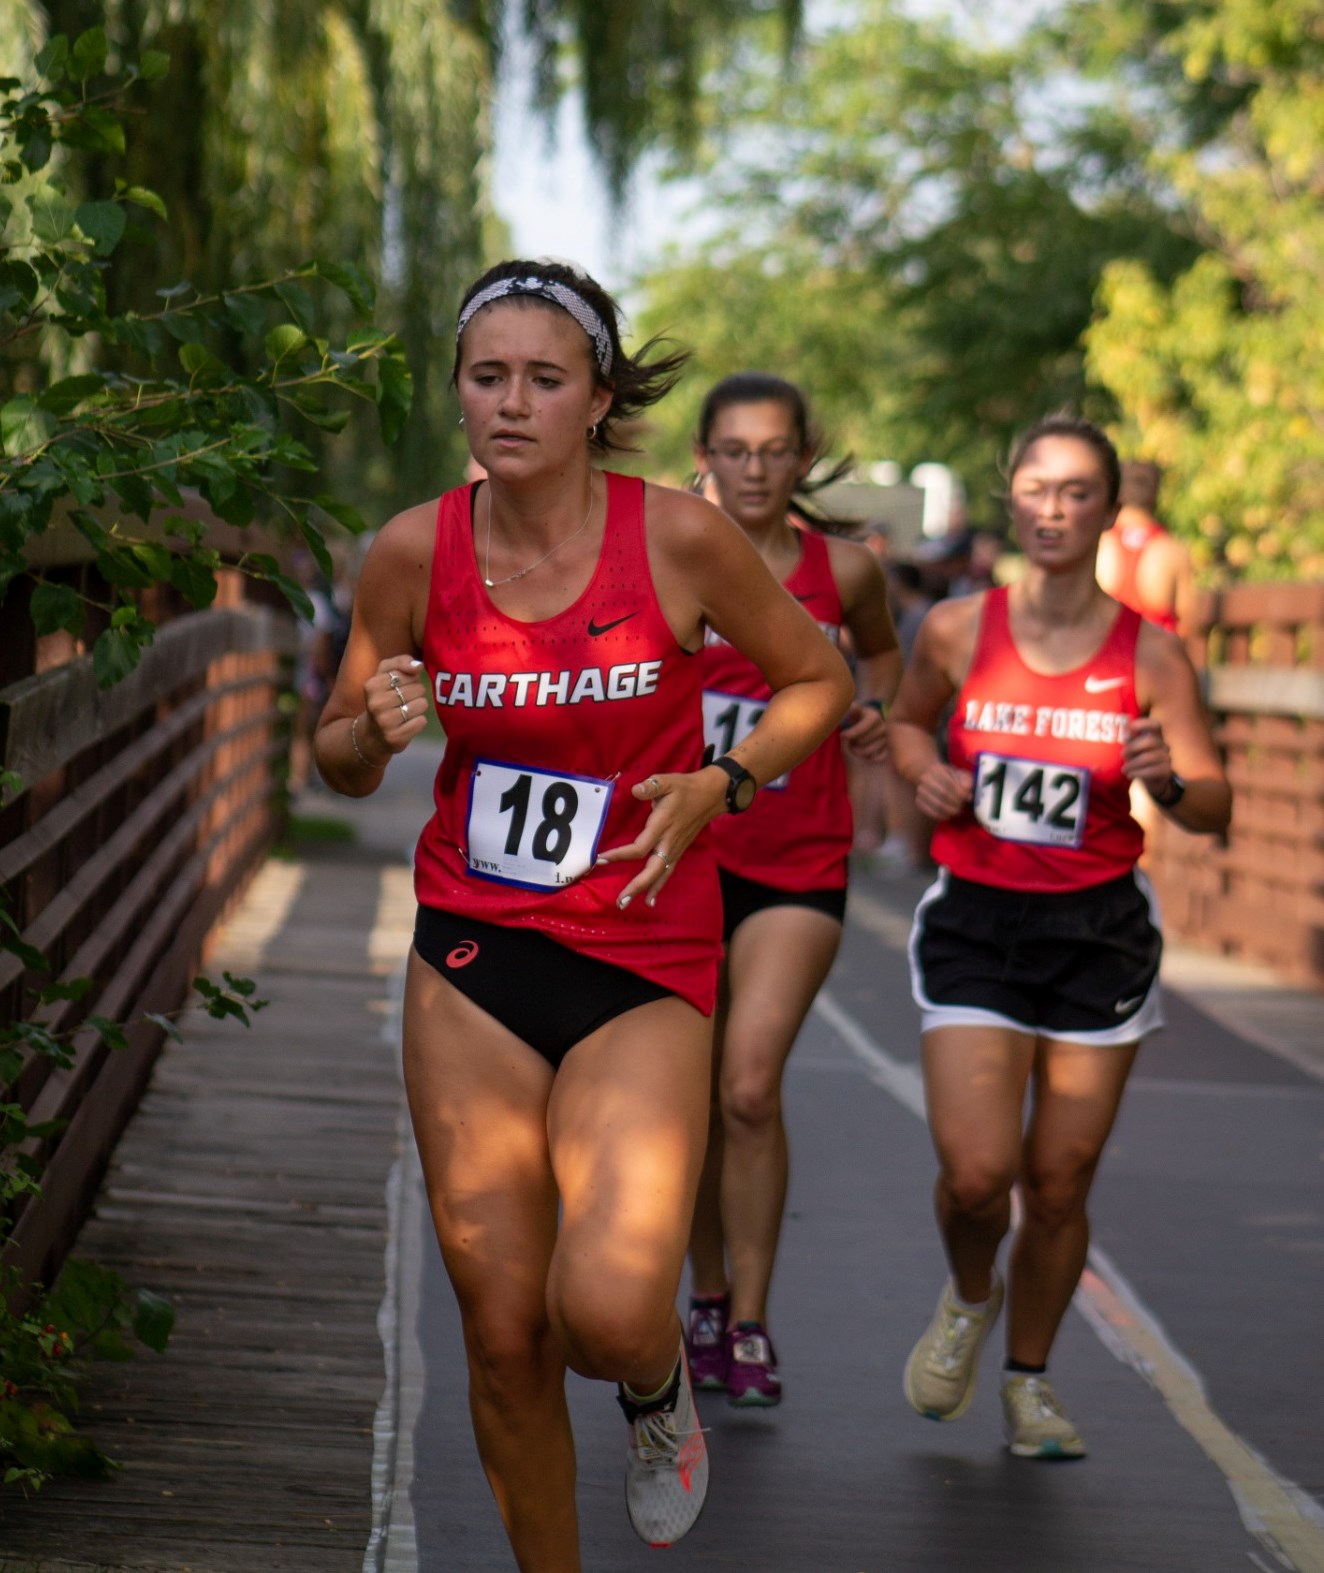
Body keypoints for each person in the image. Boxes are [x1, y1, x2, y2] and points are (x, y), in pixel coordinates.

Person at [313, 261, 853, 1569]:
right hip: (474, 951)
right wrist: (366, 733)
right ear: (459, 392)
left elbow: (816, 681)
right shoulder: (413, 549)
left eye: (544, 379)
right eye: (486, 376)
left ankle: (658, 1381)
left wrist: (723, 783)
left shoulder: (676, 536)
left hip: (643, 950)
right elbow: (332, 748)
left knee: (606, 1312)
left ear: (597, 398)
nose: (511, 402)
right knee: (502, 1333)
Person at [888, 414, 1230, 1459]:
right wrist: (923, 771)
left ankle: (1029, 1381)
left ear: (1106, 508)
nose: (1051, 507)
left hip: (1097, 932)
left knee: (1060, 1177)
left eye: (1075, 490)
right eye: (1034, 487)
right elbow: (905, 721)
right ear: (1012, 497)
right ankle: (966, 1293)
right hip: (978, 922)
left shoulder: (1149, 651)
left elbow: (1213, 802)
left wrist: (1165, 774)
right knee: (977, 1173)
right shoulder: (956, 628)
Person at [683, 373, 902, 1406]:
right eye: (735, 448)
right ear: (705, 456)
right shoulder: (668, 556)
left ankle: (756, 1322)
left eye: (774, 449)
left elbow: (887, 666)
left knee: (747, 1085)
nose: (755, 468)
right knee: (689, 1097)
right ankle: (708, 1297)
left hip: (797, 861)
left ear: (802, 457)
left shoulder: (845, 571)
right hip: (680, 859)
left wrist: (873, 713)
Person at [1095, 460, 1194, 635]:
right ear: (1156, 496)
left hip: (1108, 656)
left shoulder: (1097, 545)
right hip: (1156, 658)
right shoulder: (1174, 552)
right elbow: (1187, 626)